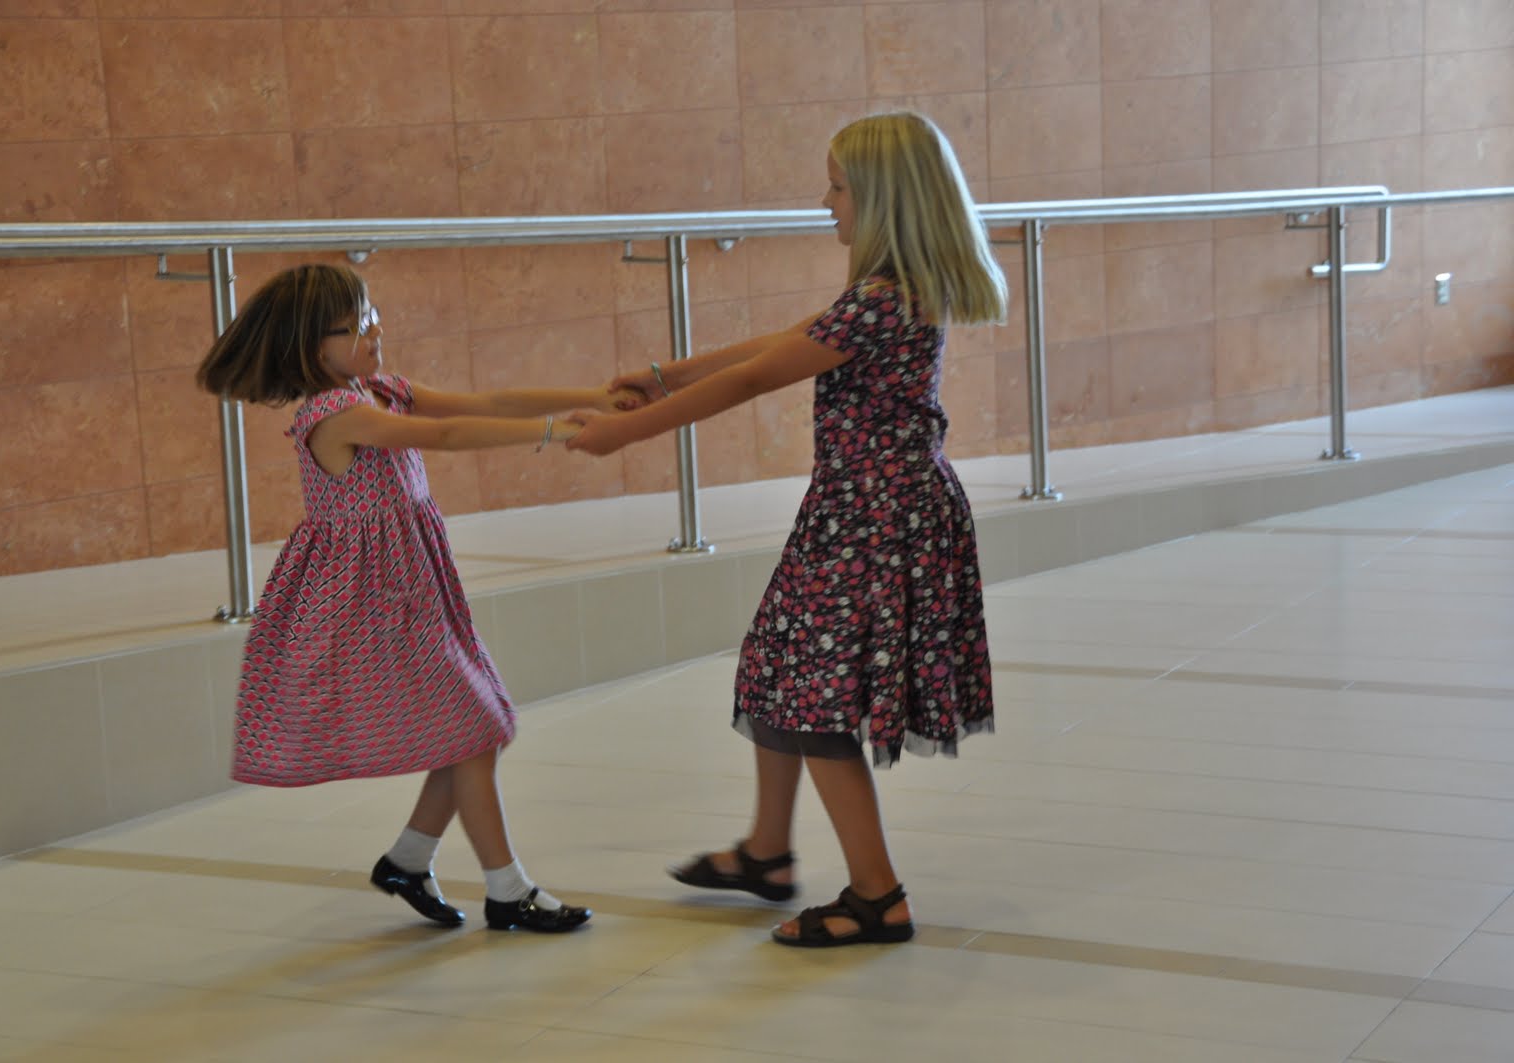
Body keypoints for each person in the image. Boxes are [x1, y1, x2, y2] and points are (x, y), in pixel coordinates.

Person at [566, 112, 1006, 947]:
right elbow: (787, 342)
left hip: (873, 519)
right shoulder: (883, 295)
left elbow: (762, 374)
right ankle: (767, 851)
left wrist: (627, 430)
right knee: (778, 665)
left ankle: (878, 897)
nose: (825, 202)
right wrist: (667, 375)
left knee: (812, 701)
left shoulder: (884, 302)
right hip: (863, 511)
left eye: (837, 188)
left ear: (880, 201)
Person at [197, 263, 639, 934]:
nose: (376, 330)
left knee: (472, 729)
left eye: (374, 314)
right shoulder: (337, 412)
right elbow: (445, 435)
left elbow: (481, 405)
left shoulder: (379, 388)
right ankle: (506, 889)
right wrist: (554, 431)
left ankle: (410, 859)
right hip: (371, 605)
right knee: (475, 726)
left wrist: (598, 396)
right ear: (315, 345)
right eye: (357, 325)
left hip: (415, 590)